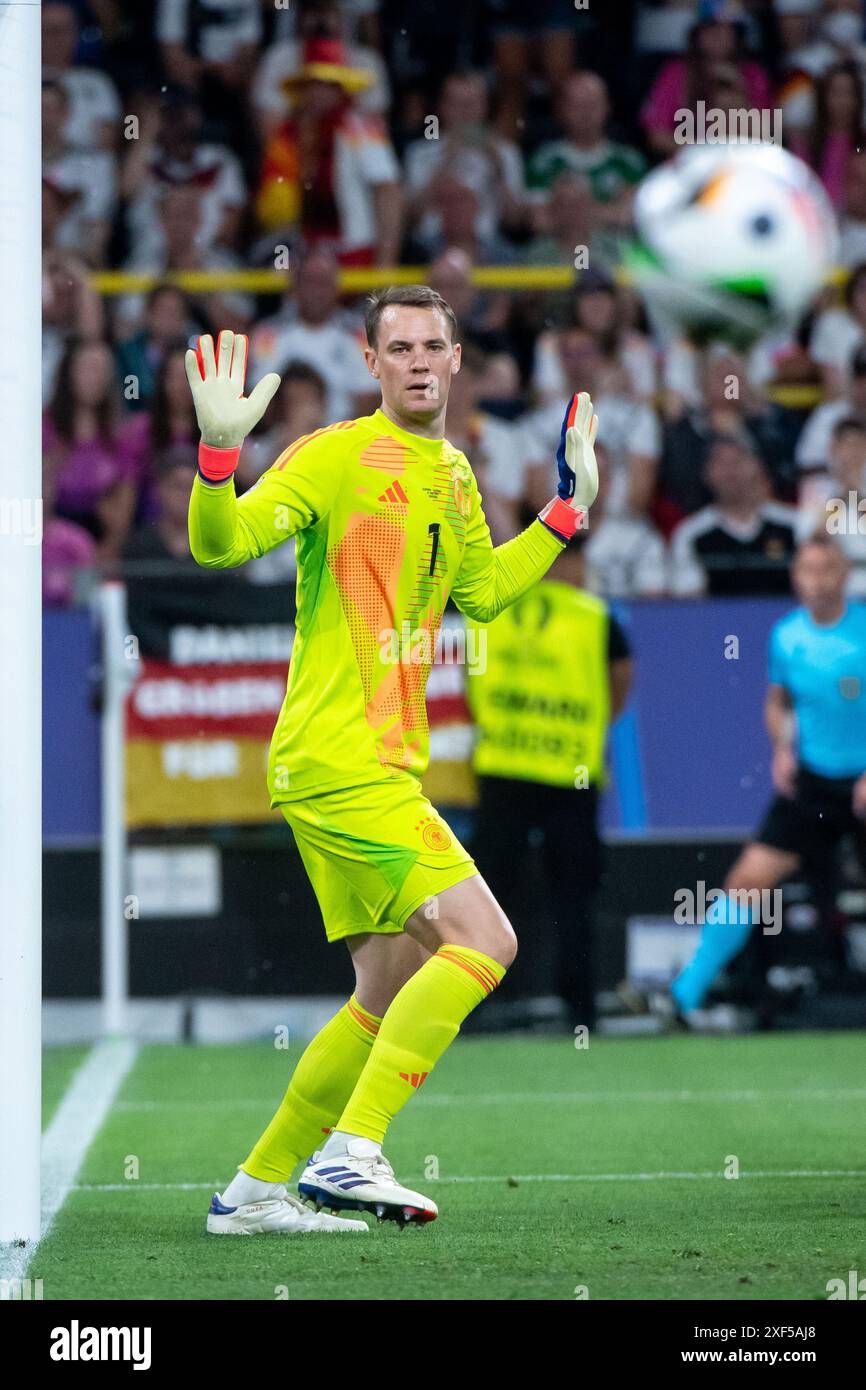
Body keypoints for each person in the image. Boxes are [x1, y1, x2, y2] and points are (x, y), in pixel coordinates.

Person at [185, 287, 600, 1232]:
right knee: (487, 941)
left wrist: (568, 510)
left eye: (433, 346)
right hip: (341, 759)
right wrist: (216, 459)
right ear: (371, 362)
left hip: (373, 765)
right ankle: (354, 1150)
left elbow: (486, 592)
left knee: (386, 985)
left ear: (457, 360)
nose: (418, 361)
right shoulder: (333, 455)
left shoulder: (454, 474)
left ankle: (251, 1193)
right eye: (398, 347)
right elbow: (222, 545)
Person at [665, 535, 866, 1021]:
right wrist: (781, 750)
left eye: (827, 571)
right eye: (807, 571)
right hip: (813, 785)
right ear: (795, 576)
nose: (816, 582)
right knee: (748, 880)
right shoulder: (786, 635)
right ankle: (684, 997)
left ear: (845, 575)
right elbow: (778, 702)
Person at [466, 532, 633, 1028]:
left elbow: (466, 677)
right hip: (570, 774)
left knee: (482, 895)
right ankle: (580, 1011)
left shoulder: (492, 607)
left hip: (503, 766)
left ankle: (467, 1006)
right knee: (574, 897)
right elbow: (621, 680)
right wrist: (590, 727)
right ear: (575, 562)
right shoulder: (596, 617)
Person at [668, 434, 798, 597]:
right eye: (721, 463)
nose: (730, 471)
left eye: (738, 461)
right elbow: (689, 601)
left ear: (757, 466)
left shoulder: (794, 524)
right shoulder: (690, 534)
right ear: (706, 472)